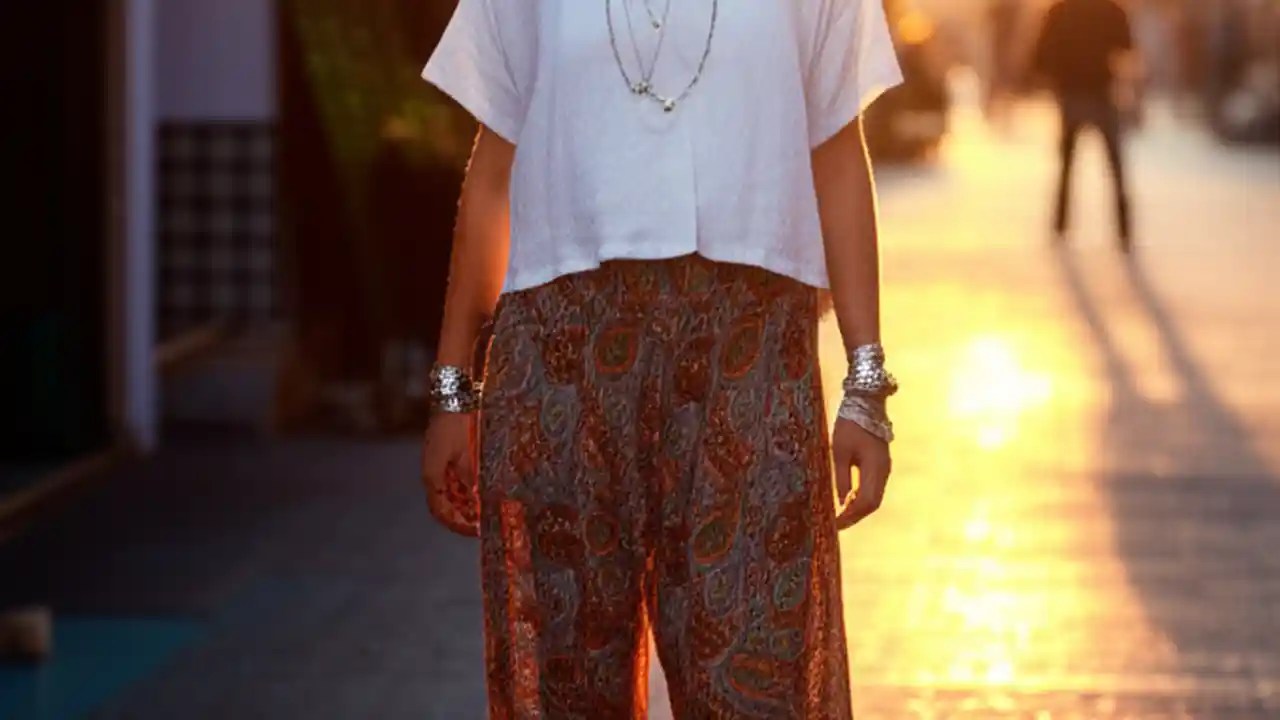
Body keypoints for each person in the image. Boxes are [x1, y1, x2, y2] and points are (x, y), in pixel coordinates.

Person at [419, 1, 903, 716]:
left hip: (750, 362)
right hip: (563, 367)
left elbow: (837, 153)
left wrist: (865, 384)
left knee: (756, 686)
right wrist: (452, 387)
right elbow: (494, 171)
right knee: (568, 690)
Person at [1033, 0, 1137, 250]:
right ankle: (1124, 229)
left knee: (1067, 164)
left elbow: (1041, 55)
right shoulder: (1110, 9)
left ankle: (1060, 224)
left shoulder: (1060, 10)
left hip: (1071, 93)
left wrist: (1057, 77)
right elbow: (1126, 47)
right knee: (1114, 165)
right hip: (1102, 92)